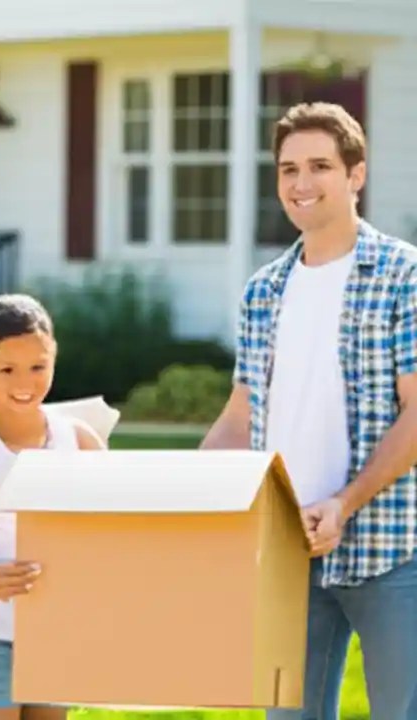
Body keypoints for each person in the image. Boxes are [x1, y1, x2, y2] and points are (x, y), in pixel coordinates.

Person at [200, 102, 416, 719]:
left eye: (320, 165)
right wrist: (184, 499)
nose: (301, 183)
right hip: (289, 553)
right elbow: (241, 417)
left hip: (392, 547)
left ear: (356, 174)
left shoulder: (404, 276)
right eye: (288, 168)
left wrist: (344, 503)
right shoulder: (263, 289)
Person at [0, 294, 106, 719]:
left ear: (53, 359)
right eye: (7, 370)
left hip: (54, 627)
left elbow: (108, 533)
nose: (24, 383)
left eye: (38, 367)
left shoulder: (81, 441)